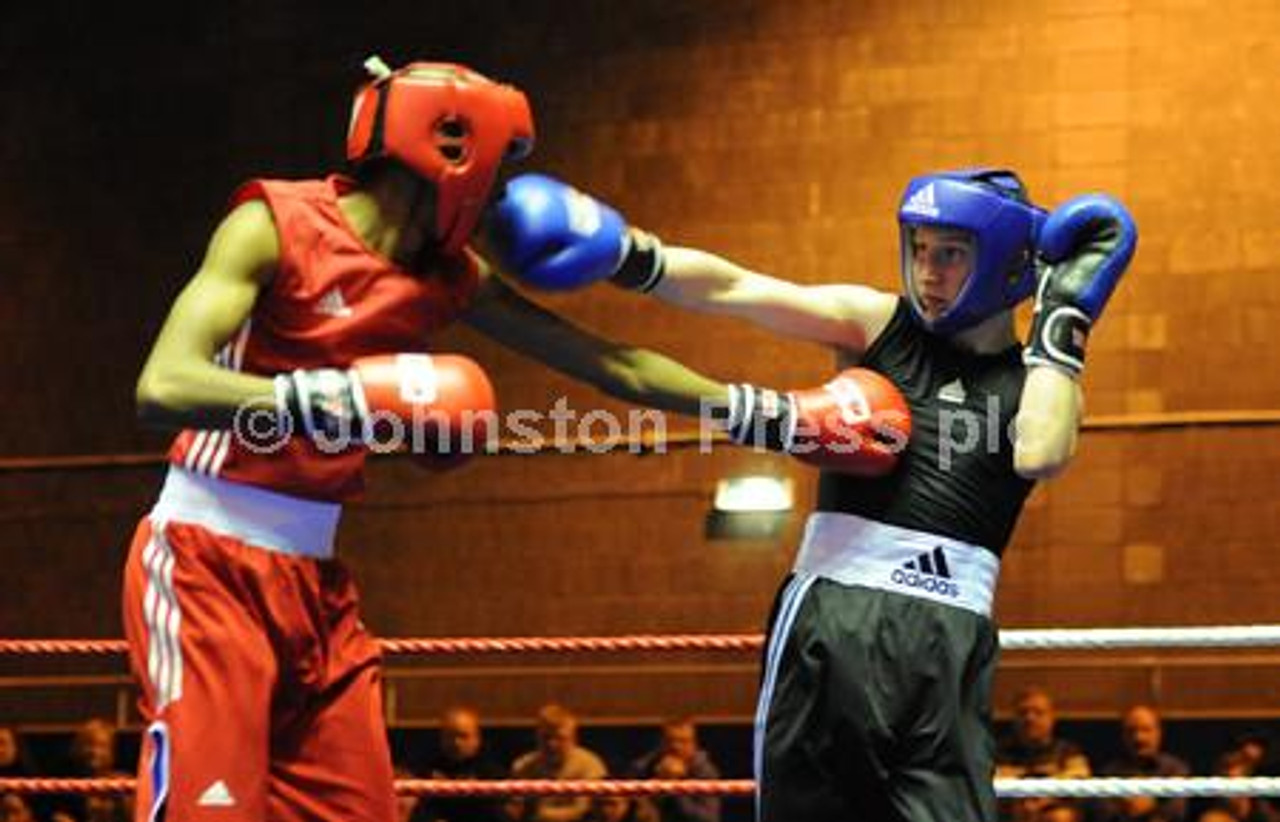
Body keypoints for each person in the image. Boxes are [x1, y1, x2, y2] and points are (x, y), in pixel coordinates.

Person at [123, 55, 770, 822]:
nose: (500, 194)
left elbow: (611, 363)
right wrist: (333, 400)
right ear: (452, 150)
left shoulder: (446, 275)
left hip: (317, 588)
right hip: (205, 561)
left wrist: (766, 412)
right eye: (499, 170)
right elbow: (162, 387)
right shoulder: (275, 224)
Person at [487, 168, 1136, 822]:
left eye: (952, 253)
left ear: (1002, 264)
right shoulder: (879, 322)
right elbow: (737, 289)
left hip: (950, 636)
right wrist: (631, 255)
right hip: (836, 617)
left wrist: (1066, 312)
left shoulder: (1038, 376)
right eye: (919, 249)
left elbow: (1042, 453)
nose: (929, 272)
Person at [509, 704, 608, 822]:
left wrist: (541, 814)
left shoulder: (590, 766)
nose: (552, 744)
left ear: (574, 739)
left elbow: (586, 811)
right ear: (536, 737)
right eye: (546, 737)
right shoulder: (522, 767)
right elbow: (516, 811)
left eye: (559, 738)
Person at [1098, 704, 1190, 822]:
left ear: (1159, 733)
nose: (1138, 738)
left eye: (1146, 730)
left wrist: (1150, 805)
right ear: (1123, 736)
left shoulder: (1175, 769)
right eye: (1131, 731)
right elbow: (1104, 815)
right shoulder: (1108, 773)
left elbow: (1176, 813)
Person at [415, 706, 507, 822]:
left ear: (477, 739)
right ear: (441, 738)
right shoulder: (427, 771)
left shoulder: (492, 774)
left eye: (463, 736)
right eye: (450, 736)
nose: (456, 743)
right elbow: (419, 812)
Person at [627, 717, 721, 822]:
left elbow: (708, 819)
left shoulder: (704, 771)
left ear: (694, 744)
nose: (676, 747)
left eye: (683, 741)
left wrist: (675, 786)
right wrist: (658, 781)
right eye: (670, 741)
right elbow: (631, 812)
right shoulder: (643, 767)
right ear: (661, 743)